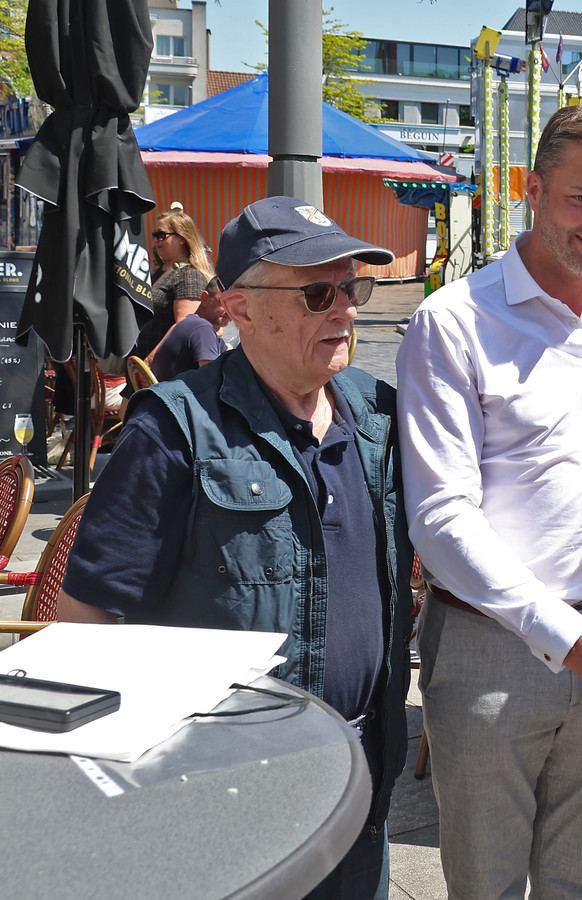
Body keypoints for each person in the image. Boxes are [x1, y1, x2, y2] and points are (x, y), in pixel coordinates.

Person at [57, 196, 412, 900]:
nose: (345, 310)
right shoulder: (175, 431)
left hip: (361, 777)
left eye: (351, 288)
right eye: (318, 293)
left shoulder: (376, 413)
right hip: (223, 785)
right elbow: (85, 625)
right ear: (241, 308)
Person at [397, 106, 582, 900]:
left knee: (580, 885)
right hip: (491, 649)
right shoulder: (453, 322)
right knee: (485, 888)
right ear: (531, 190)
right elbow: (442, 518)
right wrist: (571, 640)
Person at [139, 208, 214, 356]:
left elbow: (183, 328)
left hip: (163, 370)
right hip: (142, 365)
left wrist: (150, 361)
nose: (156, 240)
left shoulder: (188, 274)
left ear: (182, 238)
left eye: (162, 235)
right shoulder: (163, 271)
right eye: (155, 235)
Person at [149, 276, 231, 381]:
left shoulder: (192, 324)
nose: (229, 310)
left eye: (233, 304)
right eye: (223, 302)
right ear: (205, 299)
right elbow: (211, 379)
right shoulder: (201, 328)